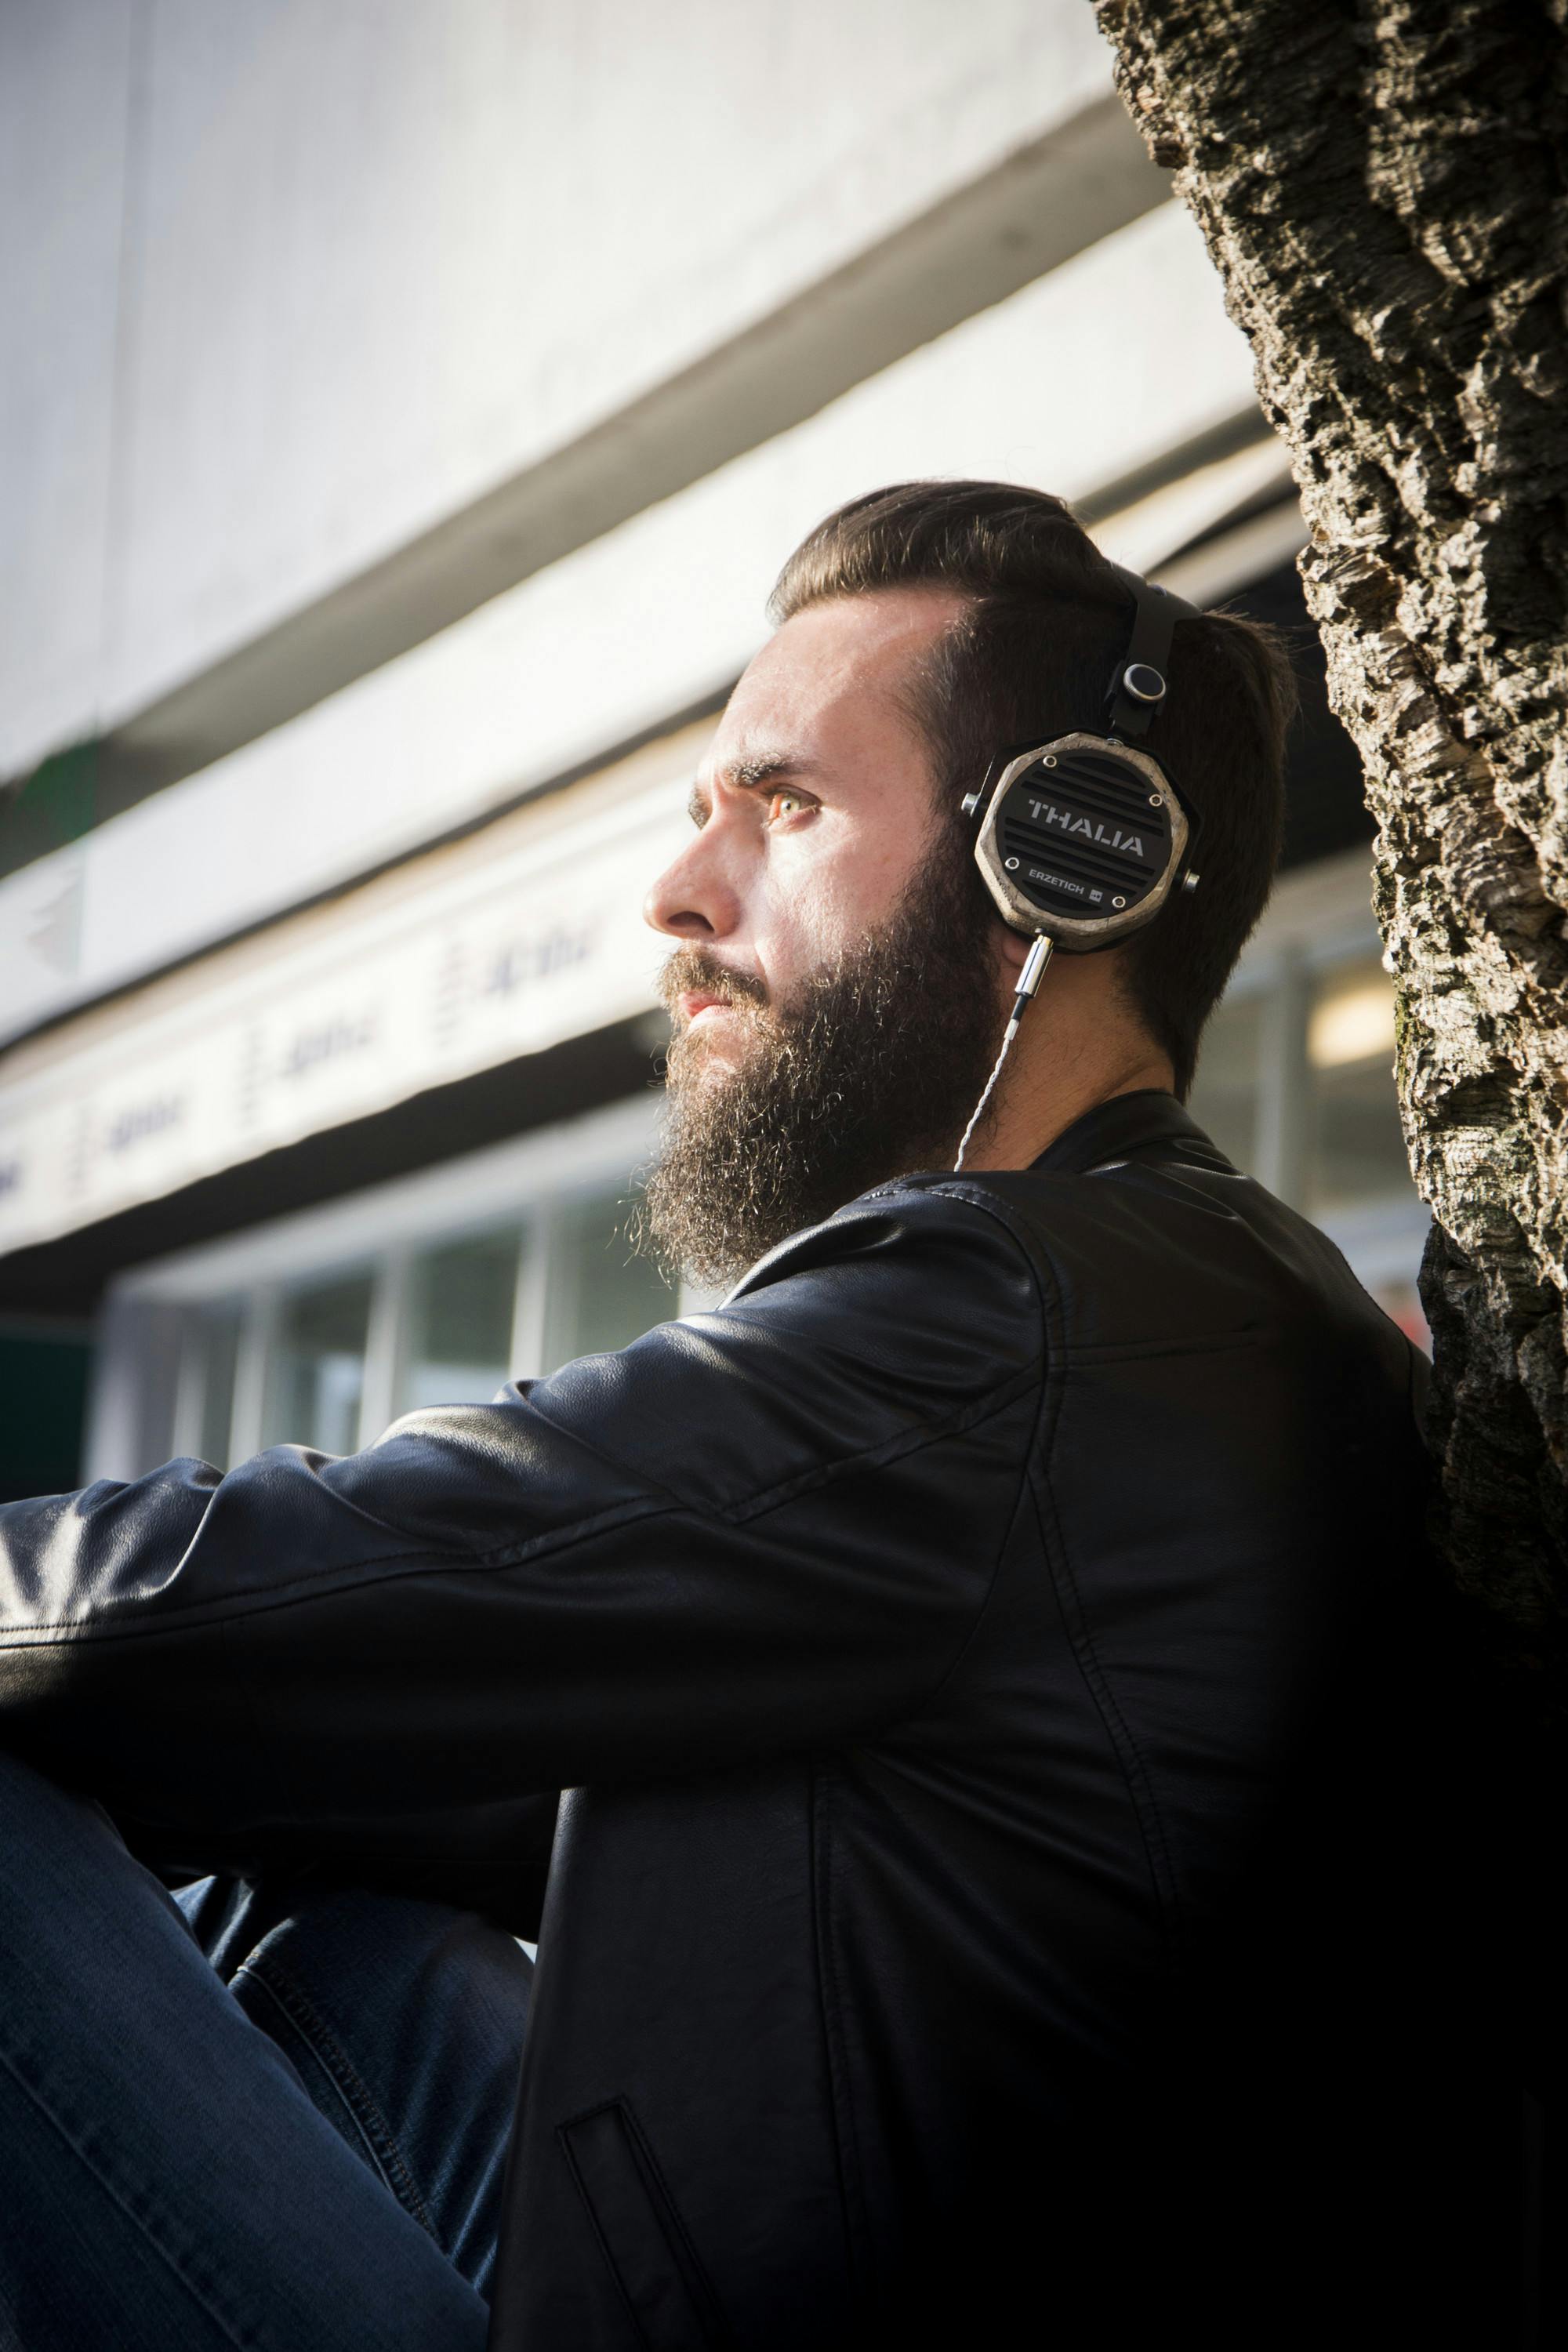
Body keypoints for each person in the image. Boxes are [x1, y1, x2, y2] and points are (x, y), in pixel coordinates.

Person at [0, 484, 1477, 2350]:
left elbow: (257, 1583)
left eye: (784, 808)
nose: (680, 897)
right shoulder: (1198, 1300)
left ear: (1065, 865)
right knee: (315, 1887)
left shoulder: (1016, 1314)